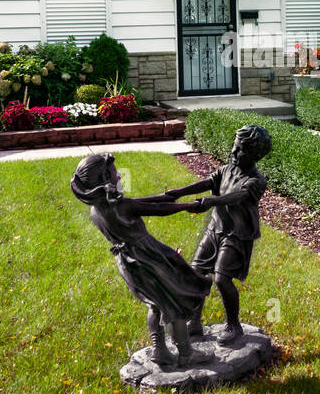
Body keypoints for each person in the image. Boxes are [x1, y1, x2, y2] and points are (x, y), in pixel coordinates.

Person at [70, 153, 213, 367]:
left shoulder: (96, 209)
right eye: (114, 173)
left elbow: (140, 203)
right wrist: (188, 206)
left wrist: (165, 196)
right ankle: (186, 353)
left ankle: (159, 350)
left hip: (128, 264)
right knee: (174, 303)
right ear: (104, 179)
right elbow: (155, 210)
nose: (118, 177)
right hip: (149, 258)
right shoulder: (121, 206)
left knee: (155, 304)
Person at [163, 125, 271, 345]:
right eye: (234, 147)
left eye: (239, 150)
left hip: (237, 235)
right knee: (196, 273)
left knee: (222, 279)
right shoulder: (226, 170)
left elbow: (237, 196)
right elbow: (208, 182)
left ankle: (234, 325)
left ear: (254, 154)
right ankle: (194, 322)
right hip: (215, 228)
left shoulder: (257, 180)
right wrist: (179, 192)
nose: (233, 153)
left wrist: (210, 201)